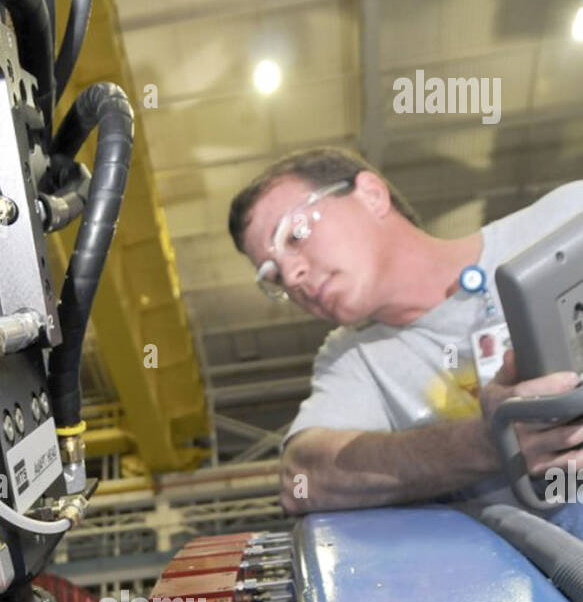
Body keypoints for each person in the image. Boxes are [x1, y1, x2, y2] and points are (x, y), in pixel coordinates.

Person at [228, 147, 583, 521]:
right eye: (274, 276)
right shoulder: (355, 360)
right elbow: (302, 478)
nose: (292, 275)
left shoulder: (567, 218)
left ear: (371, 195)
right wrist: (488, 443)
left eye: (296, 235)